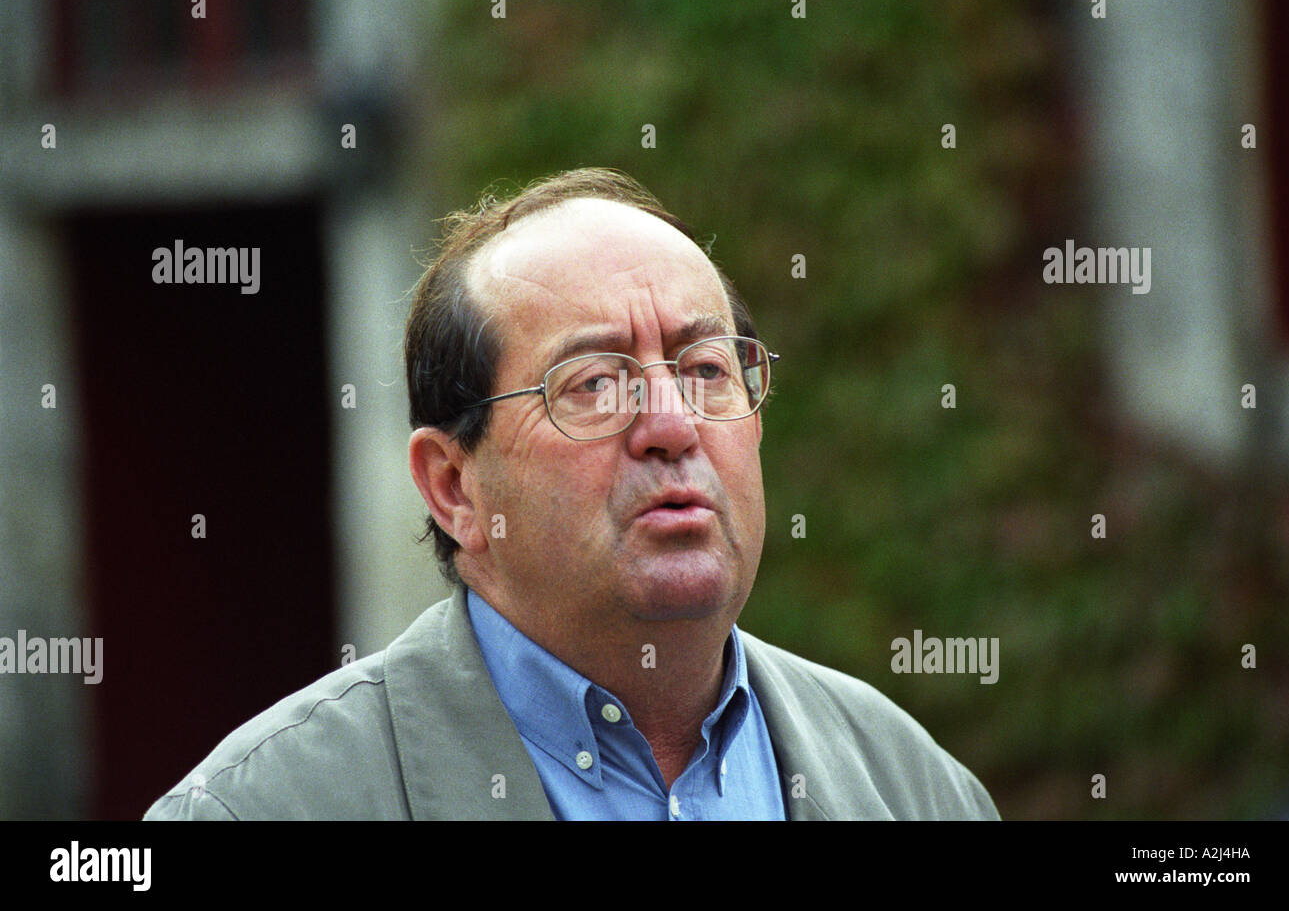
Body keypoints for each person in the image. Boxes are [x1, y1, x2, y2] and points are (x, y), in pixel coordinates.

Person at [144, 168, 999, 820]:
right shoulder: (259, 806)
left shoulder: (916, 785)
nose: (672, 422)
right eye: (592, 383)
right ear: (453, 486)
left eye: (706, 368)